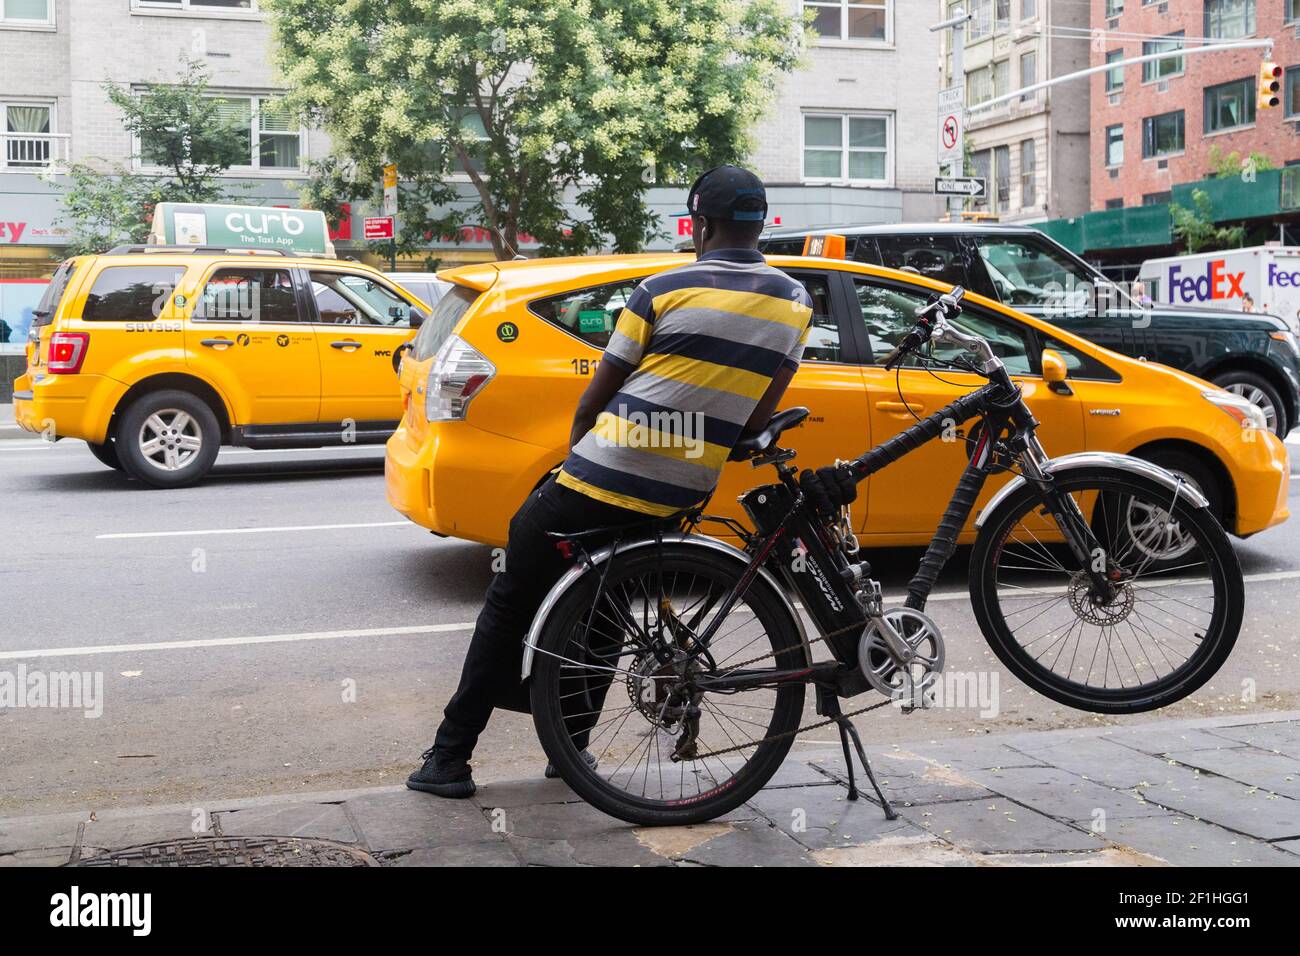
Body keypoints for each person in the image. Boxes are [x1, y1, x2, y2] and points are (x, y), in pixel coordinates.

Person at [407, 165, 817, 798]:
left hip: (603, 475)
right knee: (609, 606)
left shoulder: (662, 289)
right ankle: (569, 750)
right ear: (760, 223)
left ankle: (449, 757)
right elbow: (755, 415)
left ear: (701, 223)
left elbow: (596, 398)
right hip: (682, 492)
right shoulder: (794, 302)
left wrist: (577, 462)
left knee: (510, 604)